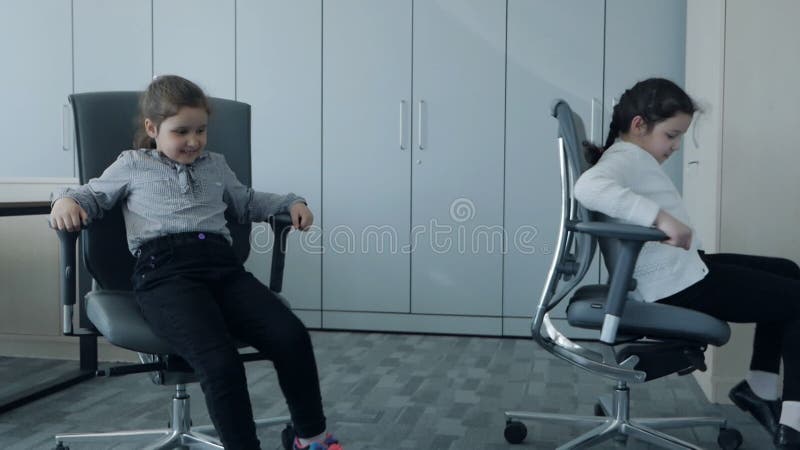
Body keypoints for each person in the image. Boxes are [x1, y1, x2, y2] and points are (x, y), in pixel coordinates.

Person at [50, 75, 343, 450]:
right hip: (165, 274)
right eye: (182, 131)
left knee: (291, 336)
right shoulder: (132, 164)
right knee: (220, 361)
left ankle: (311, 438)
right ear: (152, 129)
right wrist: (64, 201)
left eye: (201, 130)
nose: (194, 141)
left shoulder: (215, 165)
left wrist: (290, 203)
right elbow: (89, 195)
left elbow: (248, 201)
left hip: (223, 269)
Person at [574, 77, 800, 449]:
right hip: (676, 287)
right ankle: (792, 424)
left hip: (683, 271)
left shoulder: (630, 156)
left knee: (787, 270)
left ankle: (759, 389)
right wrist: (660, 217)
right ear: (639, 125)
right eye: (671, 135)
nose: (676, 146)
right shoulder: (625, 158)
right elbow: (588, 187)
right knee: (796, 298)